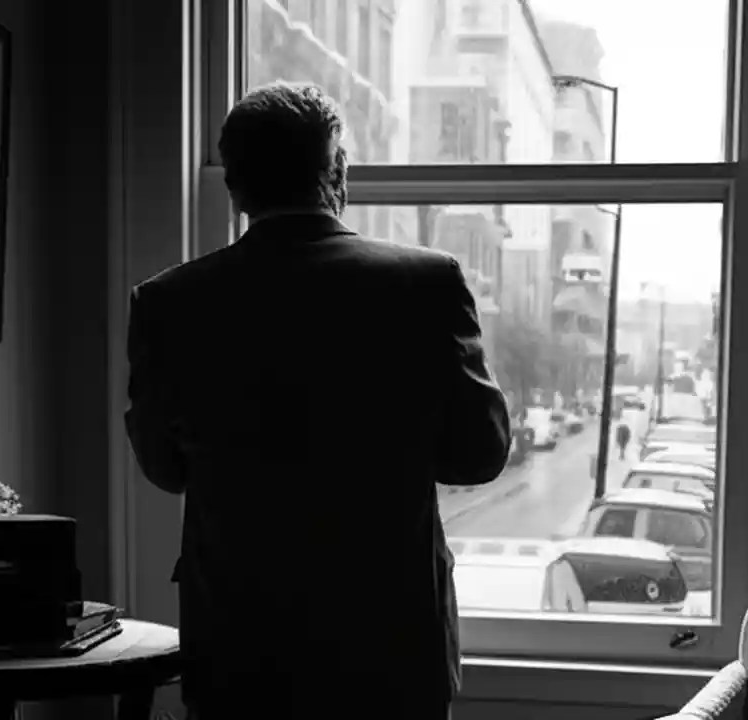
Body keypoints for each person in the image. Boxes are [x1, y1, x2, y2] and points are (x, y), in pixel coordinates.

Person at [125, 82, 511, 720]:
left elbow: (165, 469)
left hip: (239, 643)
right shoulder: (425, 283)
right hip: (390, 641)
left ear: (236, 186)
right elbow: (480, 455)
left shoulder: (169, 302)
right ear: (338, 173)